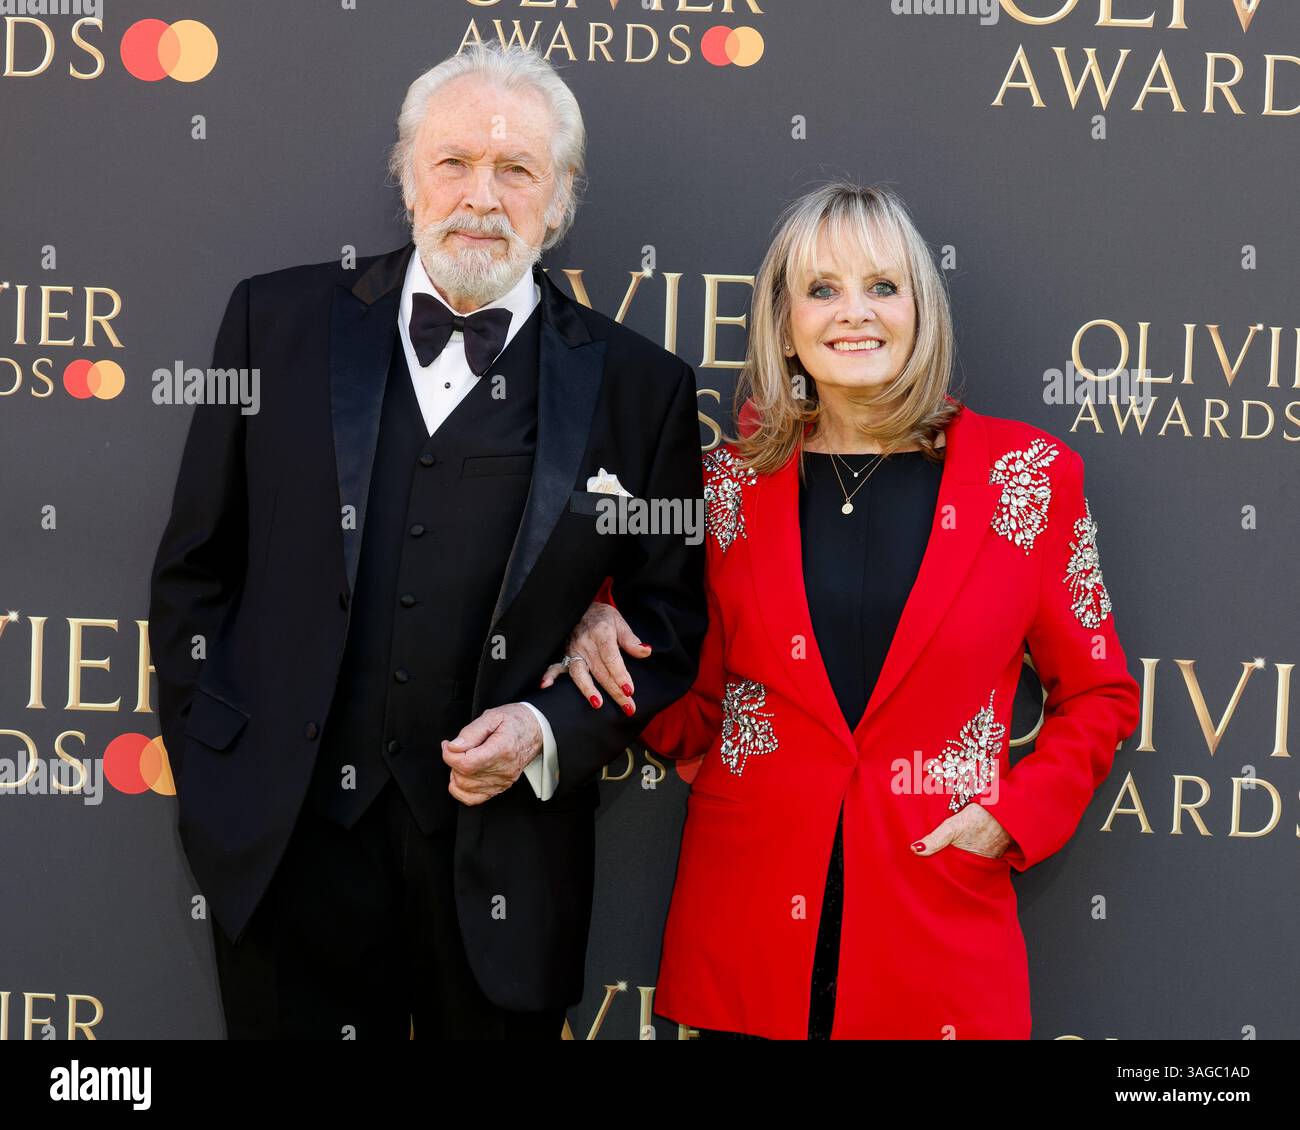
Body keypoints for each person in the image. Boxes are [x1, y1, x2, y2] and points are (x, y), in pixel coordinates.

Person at [147, 44, 707, 1039]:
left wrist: (545, 731)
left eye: (517, 169)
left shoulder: (638, 386)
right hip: (287, 849)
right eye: (454, 162)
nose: (481, 197)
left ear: (560, 199)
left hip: (506, 869)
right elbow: (197, 568)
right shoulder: (272, 324)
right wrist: (219, 776)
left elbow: (664, 620)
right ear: (407, 176)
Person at [541, 181, 1143, 1039]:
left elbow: (1099, 696)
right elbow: (683, 695)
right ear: (786, 325)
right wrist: (598, 620)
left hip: (938, 933)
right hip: (746, 936)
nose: (854, 312)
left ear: (921, 310)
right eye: (822, 289)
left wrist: (1011, 818)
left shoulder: (1030, 478)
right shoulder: (721, 488)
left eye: (882, 286)